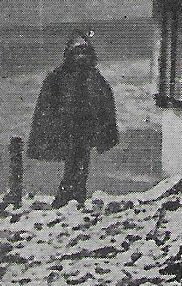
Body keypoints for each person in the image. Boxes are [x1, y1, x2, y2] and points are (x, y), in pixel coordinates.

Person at [28, 35, 119, 207]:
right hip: (67, 128)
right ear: (70, 55)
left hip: (86, 128)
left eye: (84, 52)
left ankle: (75, 198)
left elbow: (104, 99)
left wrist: (103, 129)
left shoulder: (94, 76)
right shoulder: (57, 77)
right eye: (77, 52)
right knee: (74, 164)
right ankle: (66, 199)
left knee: (81, 164)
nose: (81, 56)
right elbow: (48, 104)